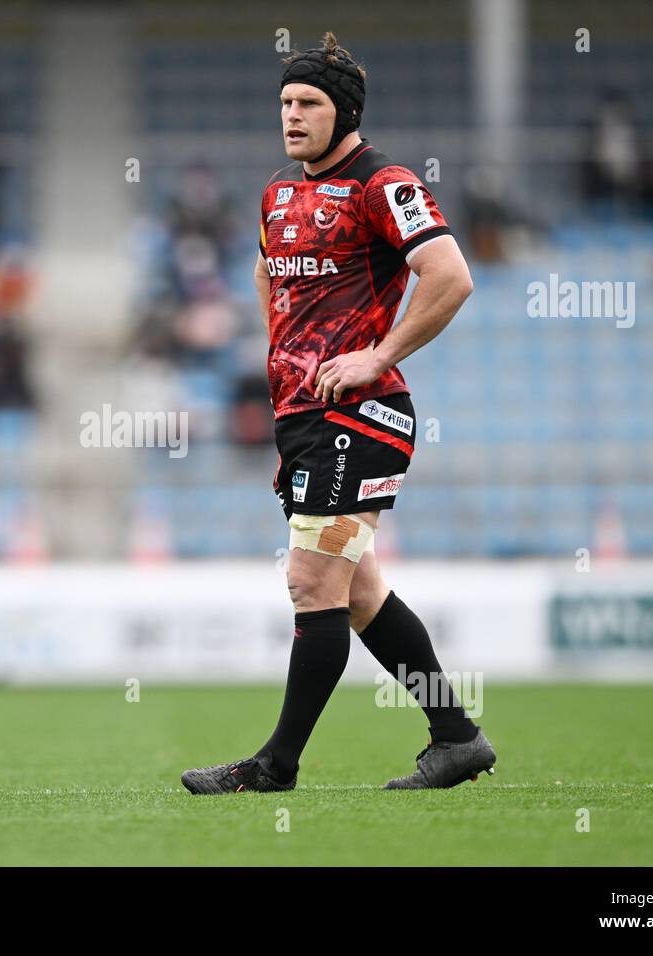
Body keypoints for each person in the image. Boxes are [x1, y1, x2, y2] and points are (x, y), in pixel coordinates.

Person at [181, 33, 496, 794]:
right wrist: (287, 359)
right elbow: (267, 273)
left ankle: (276, 766)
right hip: (307, 418)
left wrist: (376, 357)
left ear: (343, 110)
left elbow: (450, 276)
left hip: (363, 415)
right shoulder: (276, 194)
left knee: (310, 584)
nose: (291, 116)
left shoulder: (381, 183)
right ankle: (455, 737)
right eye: (285, 102)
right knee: (357, 594)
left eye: (308, 103)